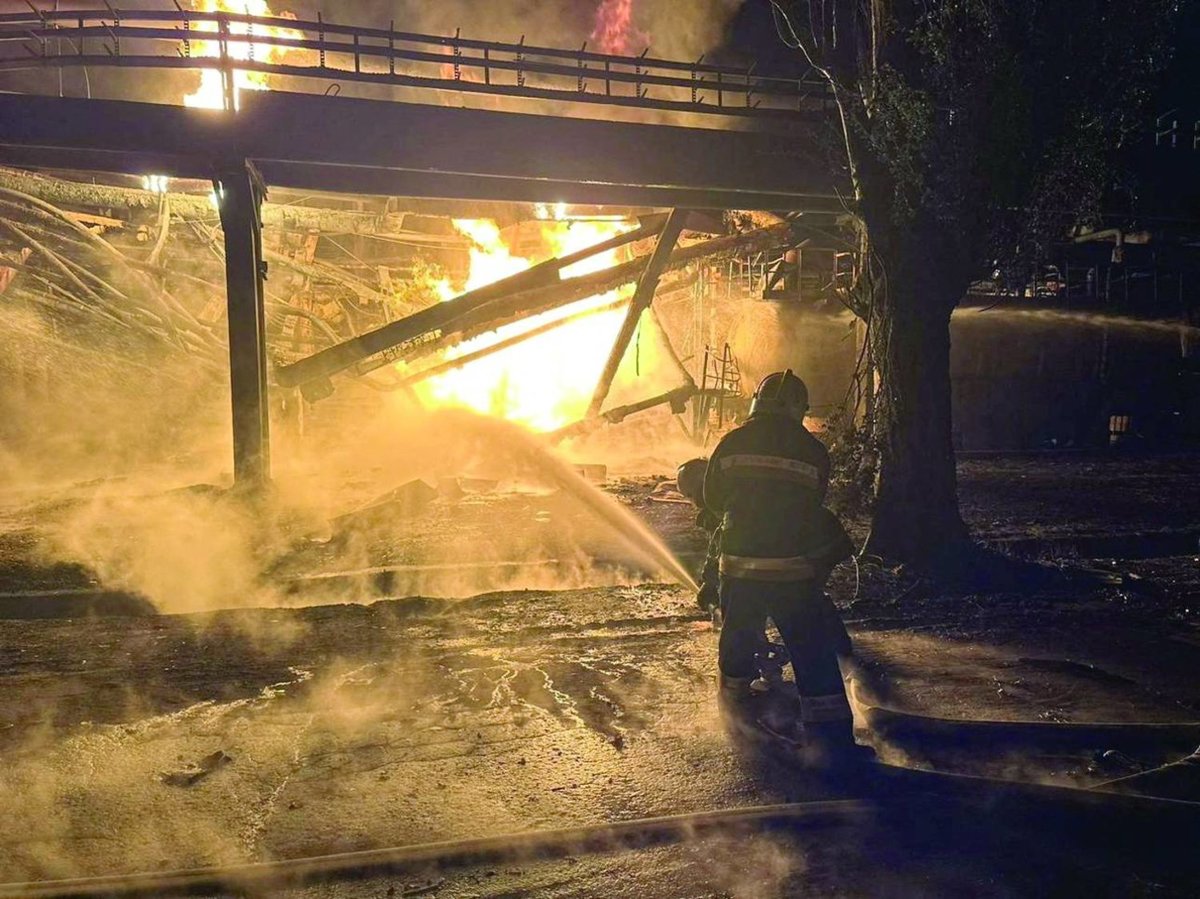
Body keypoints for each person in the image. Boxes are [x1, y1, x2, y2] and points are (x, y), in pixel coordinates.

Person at [703, 369, 863, 764]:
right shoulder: (812, 451)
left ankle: (738, 724)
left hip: (739, 568)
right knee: (812, 652)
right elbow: (814, 504)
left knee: (737, 641)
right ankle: (830, 745)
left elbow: (711, 498)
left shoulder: (733, 441)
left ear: (757, 403)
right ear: (798, 410)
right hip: (793, 570)